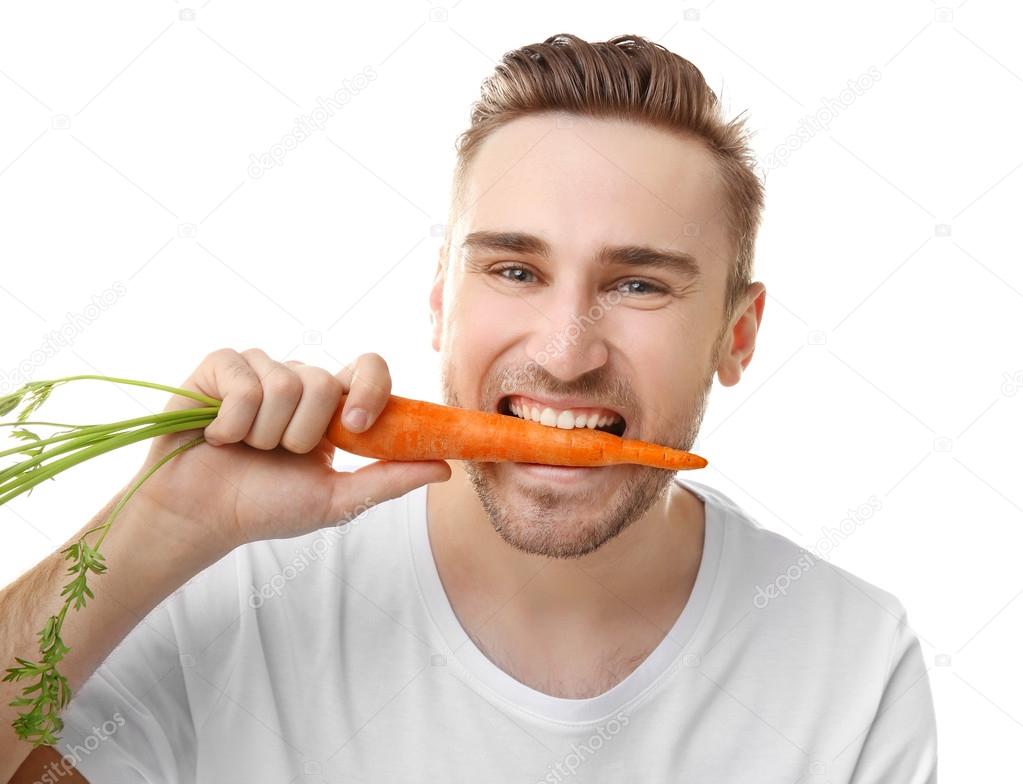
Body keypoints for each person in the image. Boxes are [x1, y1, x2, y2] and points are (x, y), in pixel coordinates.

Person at [3, 32, 937, 782]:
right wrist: (154, 531)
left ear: (737, 336)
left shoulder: (848, 663)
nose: (565, 352)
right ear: (443, 304)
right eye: (516, 270)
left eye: (640, 284)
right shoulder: (236, 587)